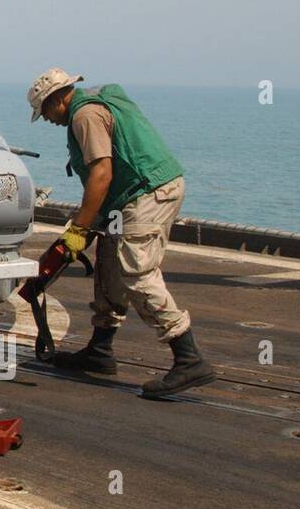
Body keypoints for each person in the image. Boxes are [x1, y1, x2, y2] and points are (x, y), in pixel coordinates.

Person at [27, 68, 214, 398]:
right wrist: (83, 225)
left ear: (57, 99)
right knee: (110, 262)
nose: (49, 120)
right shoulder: (98, 102)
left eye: (46, 112)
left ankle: (188, 356)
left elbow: (101, 173)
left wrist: (79, 229)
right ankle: (100, 350)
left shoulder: (83, 116)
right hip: (136, 193)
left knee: (136, 271)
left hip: (147, 195)